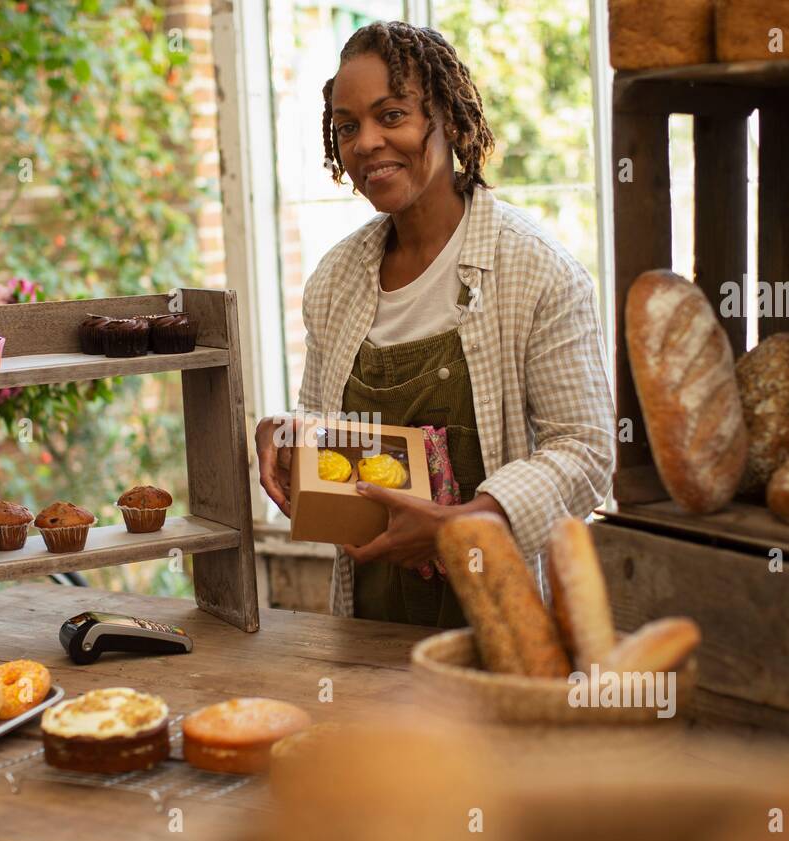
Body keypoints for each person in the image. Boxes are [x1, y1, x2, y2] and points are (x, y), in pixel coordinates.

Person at [255, 21, 615, 627]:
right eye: (347, 127)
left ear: (446, 116)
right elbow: (335, 443)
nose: (366, 142)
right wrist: (286, 433)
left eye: (390, 115)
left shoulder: (535, 270)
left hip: (500, 628)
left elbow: (588, 452)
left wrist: (458, 526)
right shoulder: (336, 281)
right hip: (367, 626)